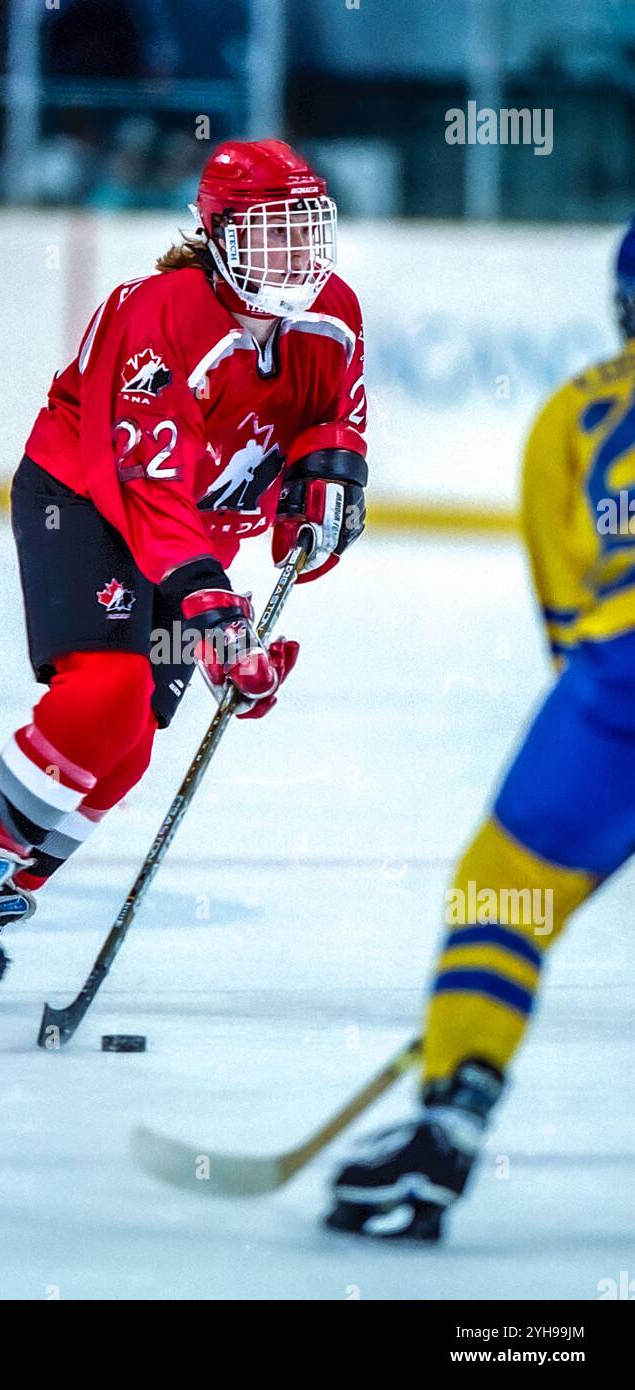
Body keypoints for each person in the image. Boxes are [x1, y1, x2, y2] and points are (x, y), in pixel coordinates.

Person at [0, 139, 369, 1004]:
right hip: (86, 498)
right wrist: (213, 609)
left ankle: (2, 892)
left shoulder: (333, 313)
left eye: (303, 229)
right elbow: (146, 484)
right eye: (268, 235)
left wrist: (324, 490)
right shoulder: (163, 313)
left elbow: (328, 426)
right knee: (107, 694)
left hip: (192, 533)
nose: (293, 255)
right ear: (219, 236)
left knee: (126, 745)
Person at [326, 220, 635, 1243]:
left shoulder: (574, 413)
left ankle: (451, 1111)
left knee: (501, 889)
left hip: (618, 682)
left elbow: (565, 618)